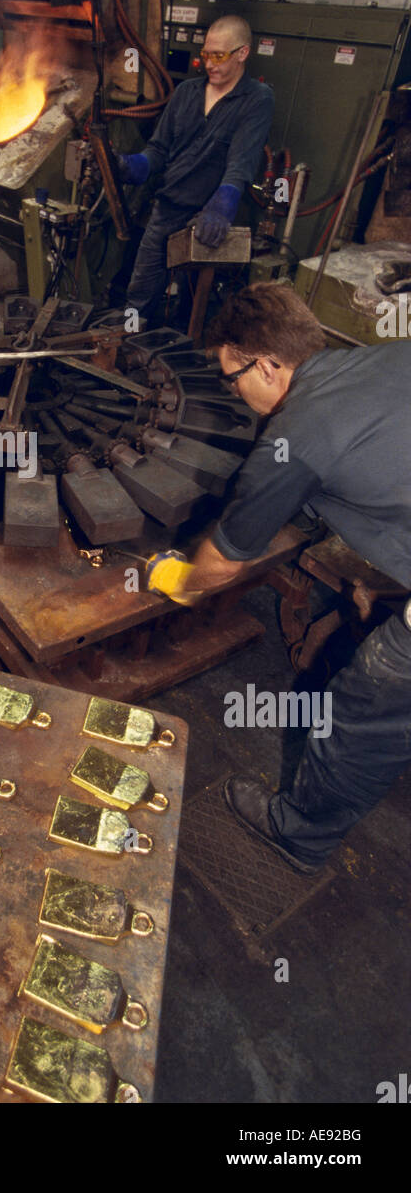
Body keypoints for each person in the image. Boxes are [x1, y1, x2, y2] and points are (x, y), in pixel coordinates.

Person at [149, 282, 411, 874]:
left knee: (367, 703)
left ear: (267, 364)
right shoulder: (384, 356)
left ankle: (300, 835)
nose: (234, 391)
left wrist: (179, 579)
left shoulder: (297, 435)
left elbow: (225, 561)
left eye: (231, 377)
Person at [117, 15, 275, 328]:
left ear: (243, 53)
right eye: (205, 55)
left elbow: (241, 161)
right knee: (140, 292)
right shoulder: (186, 92)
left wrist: (224, 202)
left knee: (196, 306)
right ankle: (124, 343)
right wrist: (135, 165)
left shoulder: (257, 100)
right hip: (167, 209)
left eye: (219, 56)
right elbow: (160, 149)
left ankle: (183, 358)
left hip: (208, 218)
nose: (209, 64)